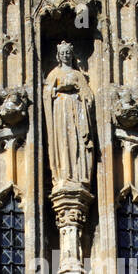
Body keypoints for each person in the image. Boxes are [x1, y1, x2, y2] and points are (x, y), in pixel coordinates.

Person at [43, 40, 95, 189]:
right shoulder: (54, 74)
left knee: (77, 143)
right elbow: (46, 95)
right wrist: (60, 88)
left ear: (72, 55)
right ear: (58, 56)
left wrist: (78, 89)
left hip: (77, 110)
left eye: (68, 53)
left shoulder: (77, 74)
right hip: (60, 112)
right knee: (63, 142)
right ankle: (63, 175)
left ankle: (78, 175)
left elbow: (89, 96)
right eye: (62, 53)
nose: (65, 55)